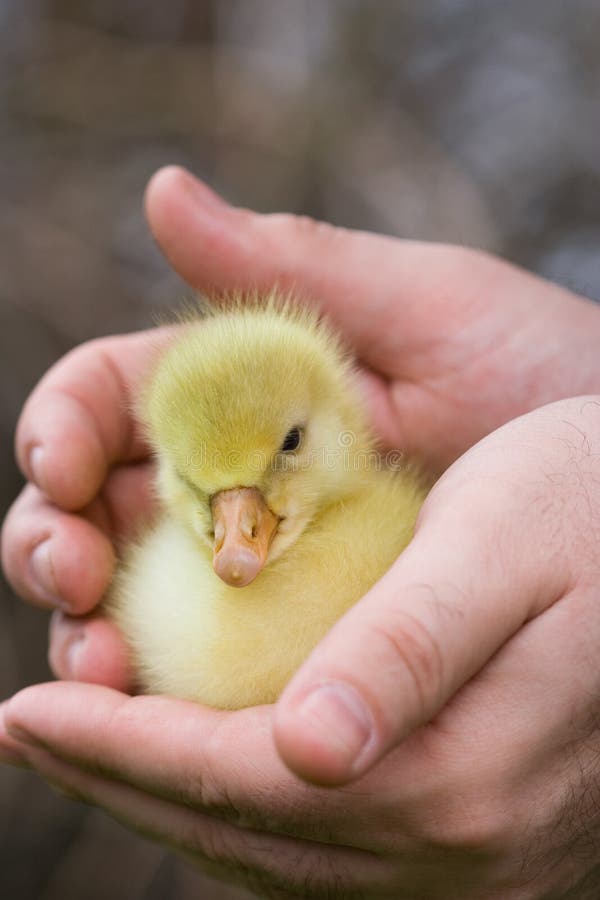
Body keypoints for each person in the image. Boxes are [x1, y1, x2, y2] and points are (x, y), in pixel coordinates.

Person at [2, 166, 600, 898]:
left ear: (339, 418)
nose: (238, 541)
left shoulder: (413, 531)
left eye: (286, 451)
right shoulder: (179, 571)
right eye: (205, 491)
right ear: (168, 472)